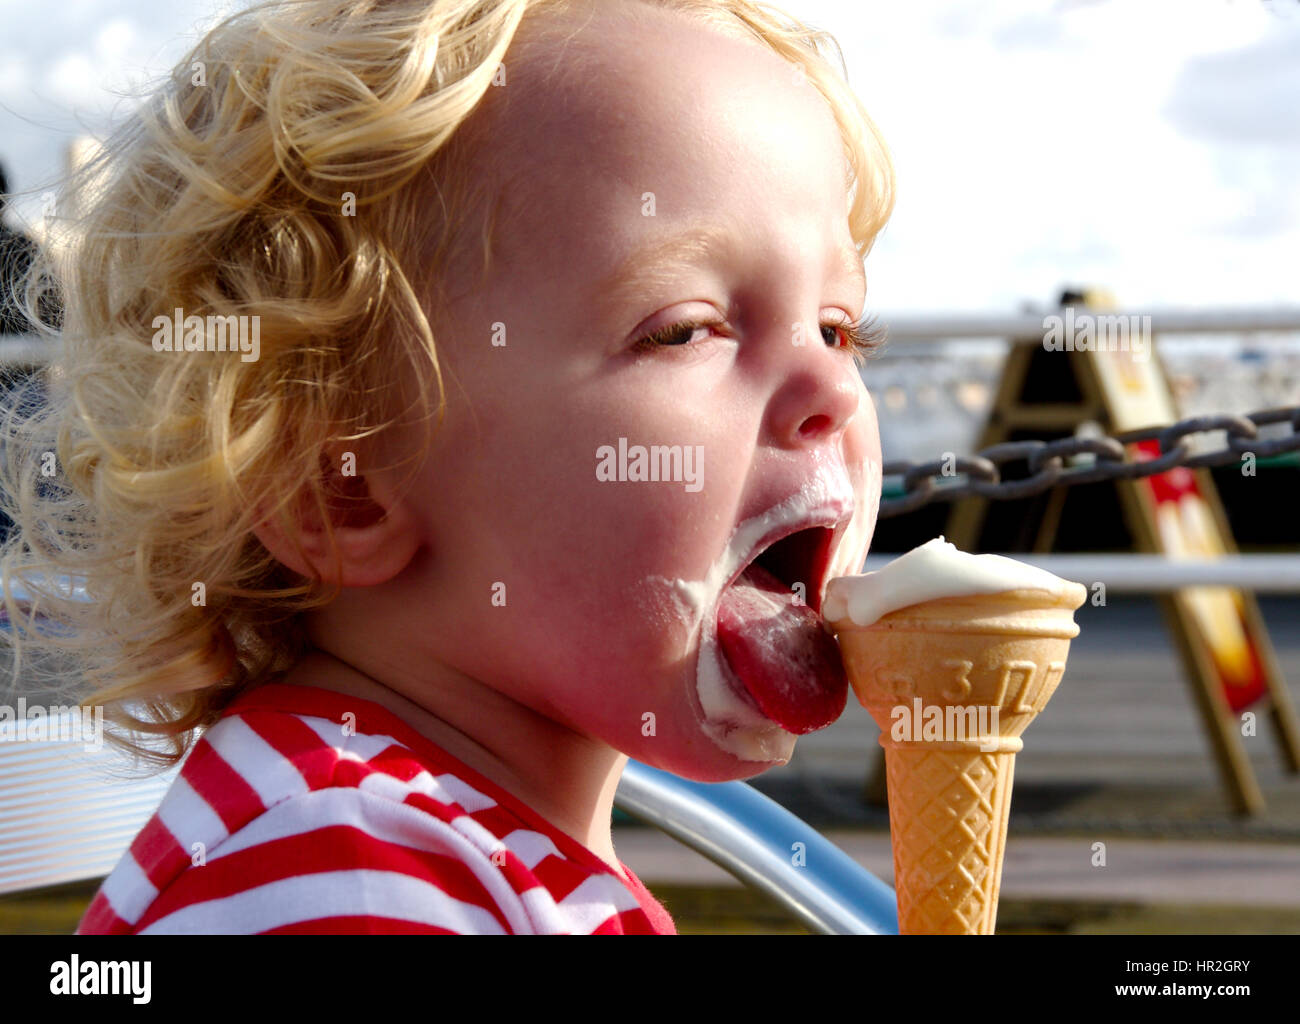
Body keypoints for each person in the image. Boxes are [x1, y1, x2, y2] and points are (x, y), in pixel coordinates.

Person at [1, 0, 893, 934]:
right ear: (341, 486)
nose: (829, 382)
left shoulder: (440, 849)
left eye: (838, 326)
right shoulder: (349, 879)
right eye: (686, 328)